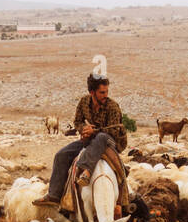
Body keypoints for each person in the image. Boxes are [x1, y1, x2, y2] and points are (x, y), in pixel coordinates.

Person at [34, 74, 128, 208]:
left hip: (111, 141)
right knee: (61, 155)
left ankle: (86, 171)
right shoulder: (84, 102)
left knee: (101, 138)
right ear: (92, 92)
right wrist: (83, 129)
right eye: (102, 92)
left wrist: (93, 131)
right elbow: (77, 121)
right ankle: (54, 195)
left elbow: (114, 130)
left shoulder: (112, 106)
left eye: (107, 91)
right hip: (91, 139)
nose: (106, 95)